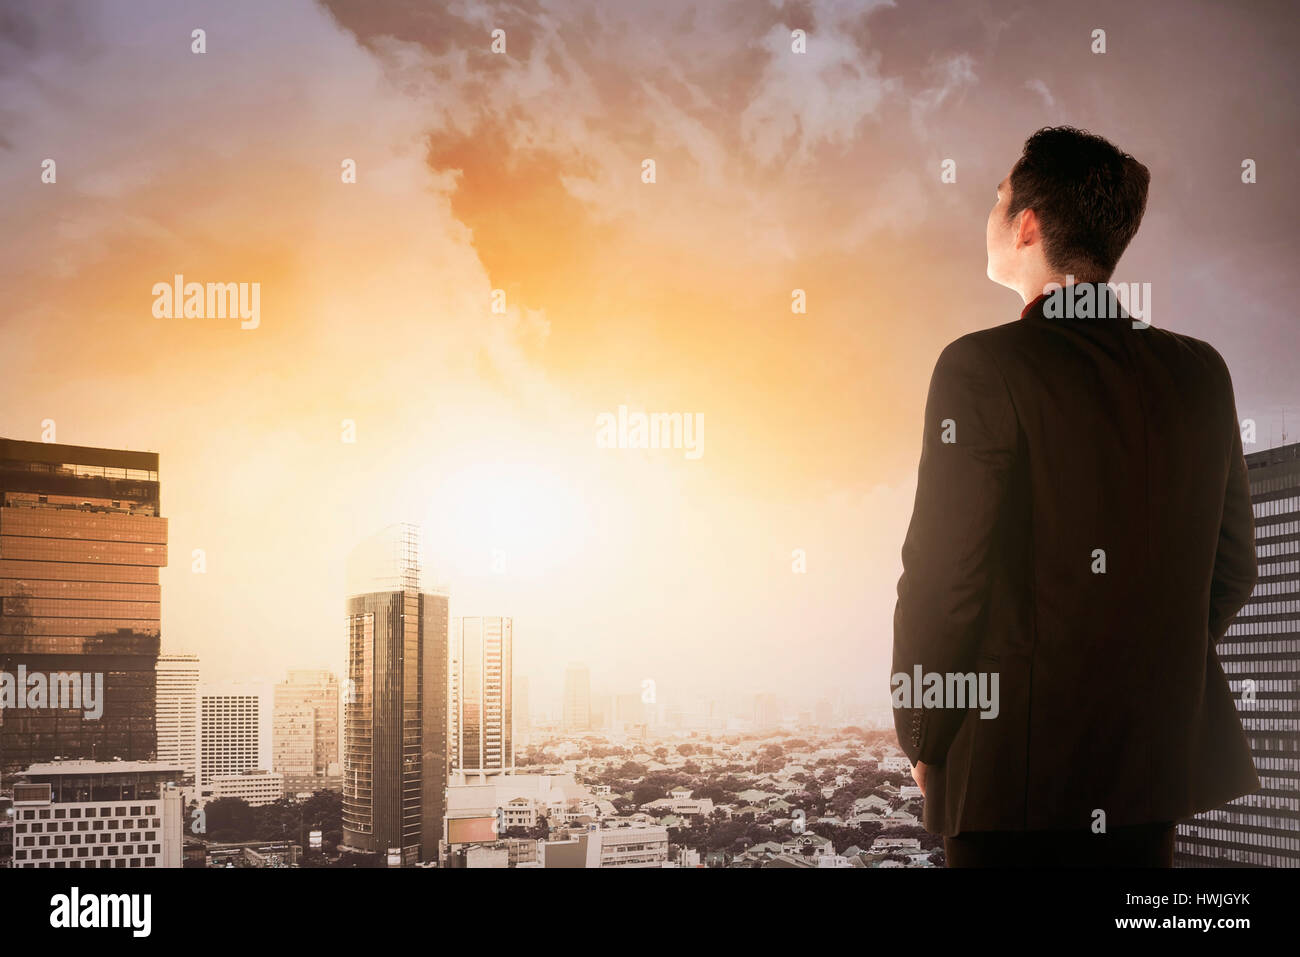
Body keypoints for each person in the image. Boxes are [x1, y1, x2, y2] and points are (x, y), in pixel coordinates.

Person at [890, 126, 1260, 867]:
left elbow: (943, 581)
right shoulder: (1200, 372)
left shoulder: (979, 367)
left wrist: (926, 735)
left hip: (1008, 787)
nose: (989, 212)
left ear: (1026, 224)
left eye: (997, 197)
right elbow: (1232, 569)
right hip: (1147, 776)